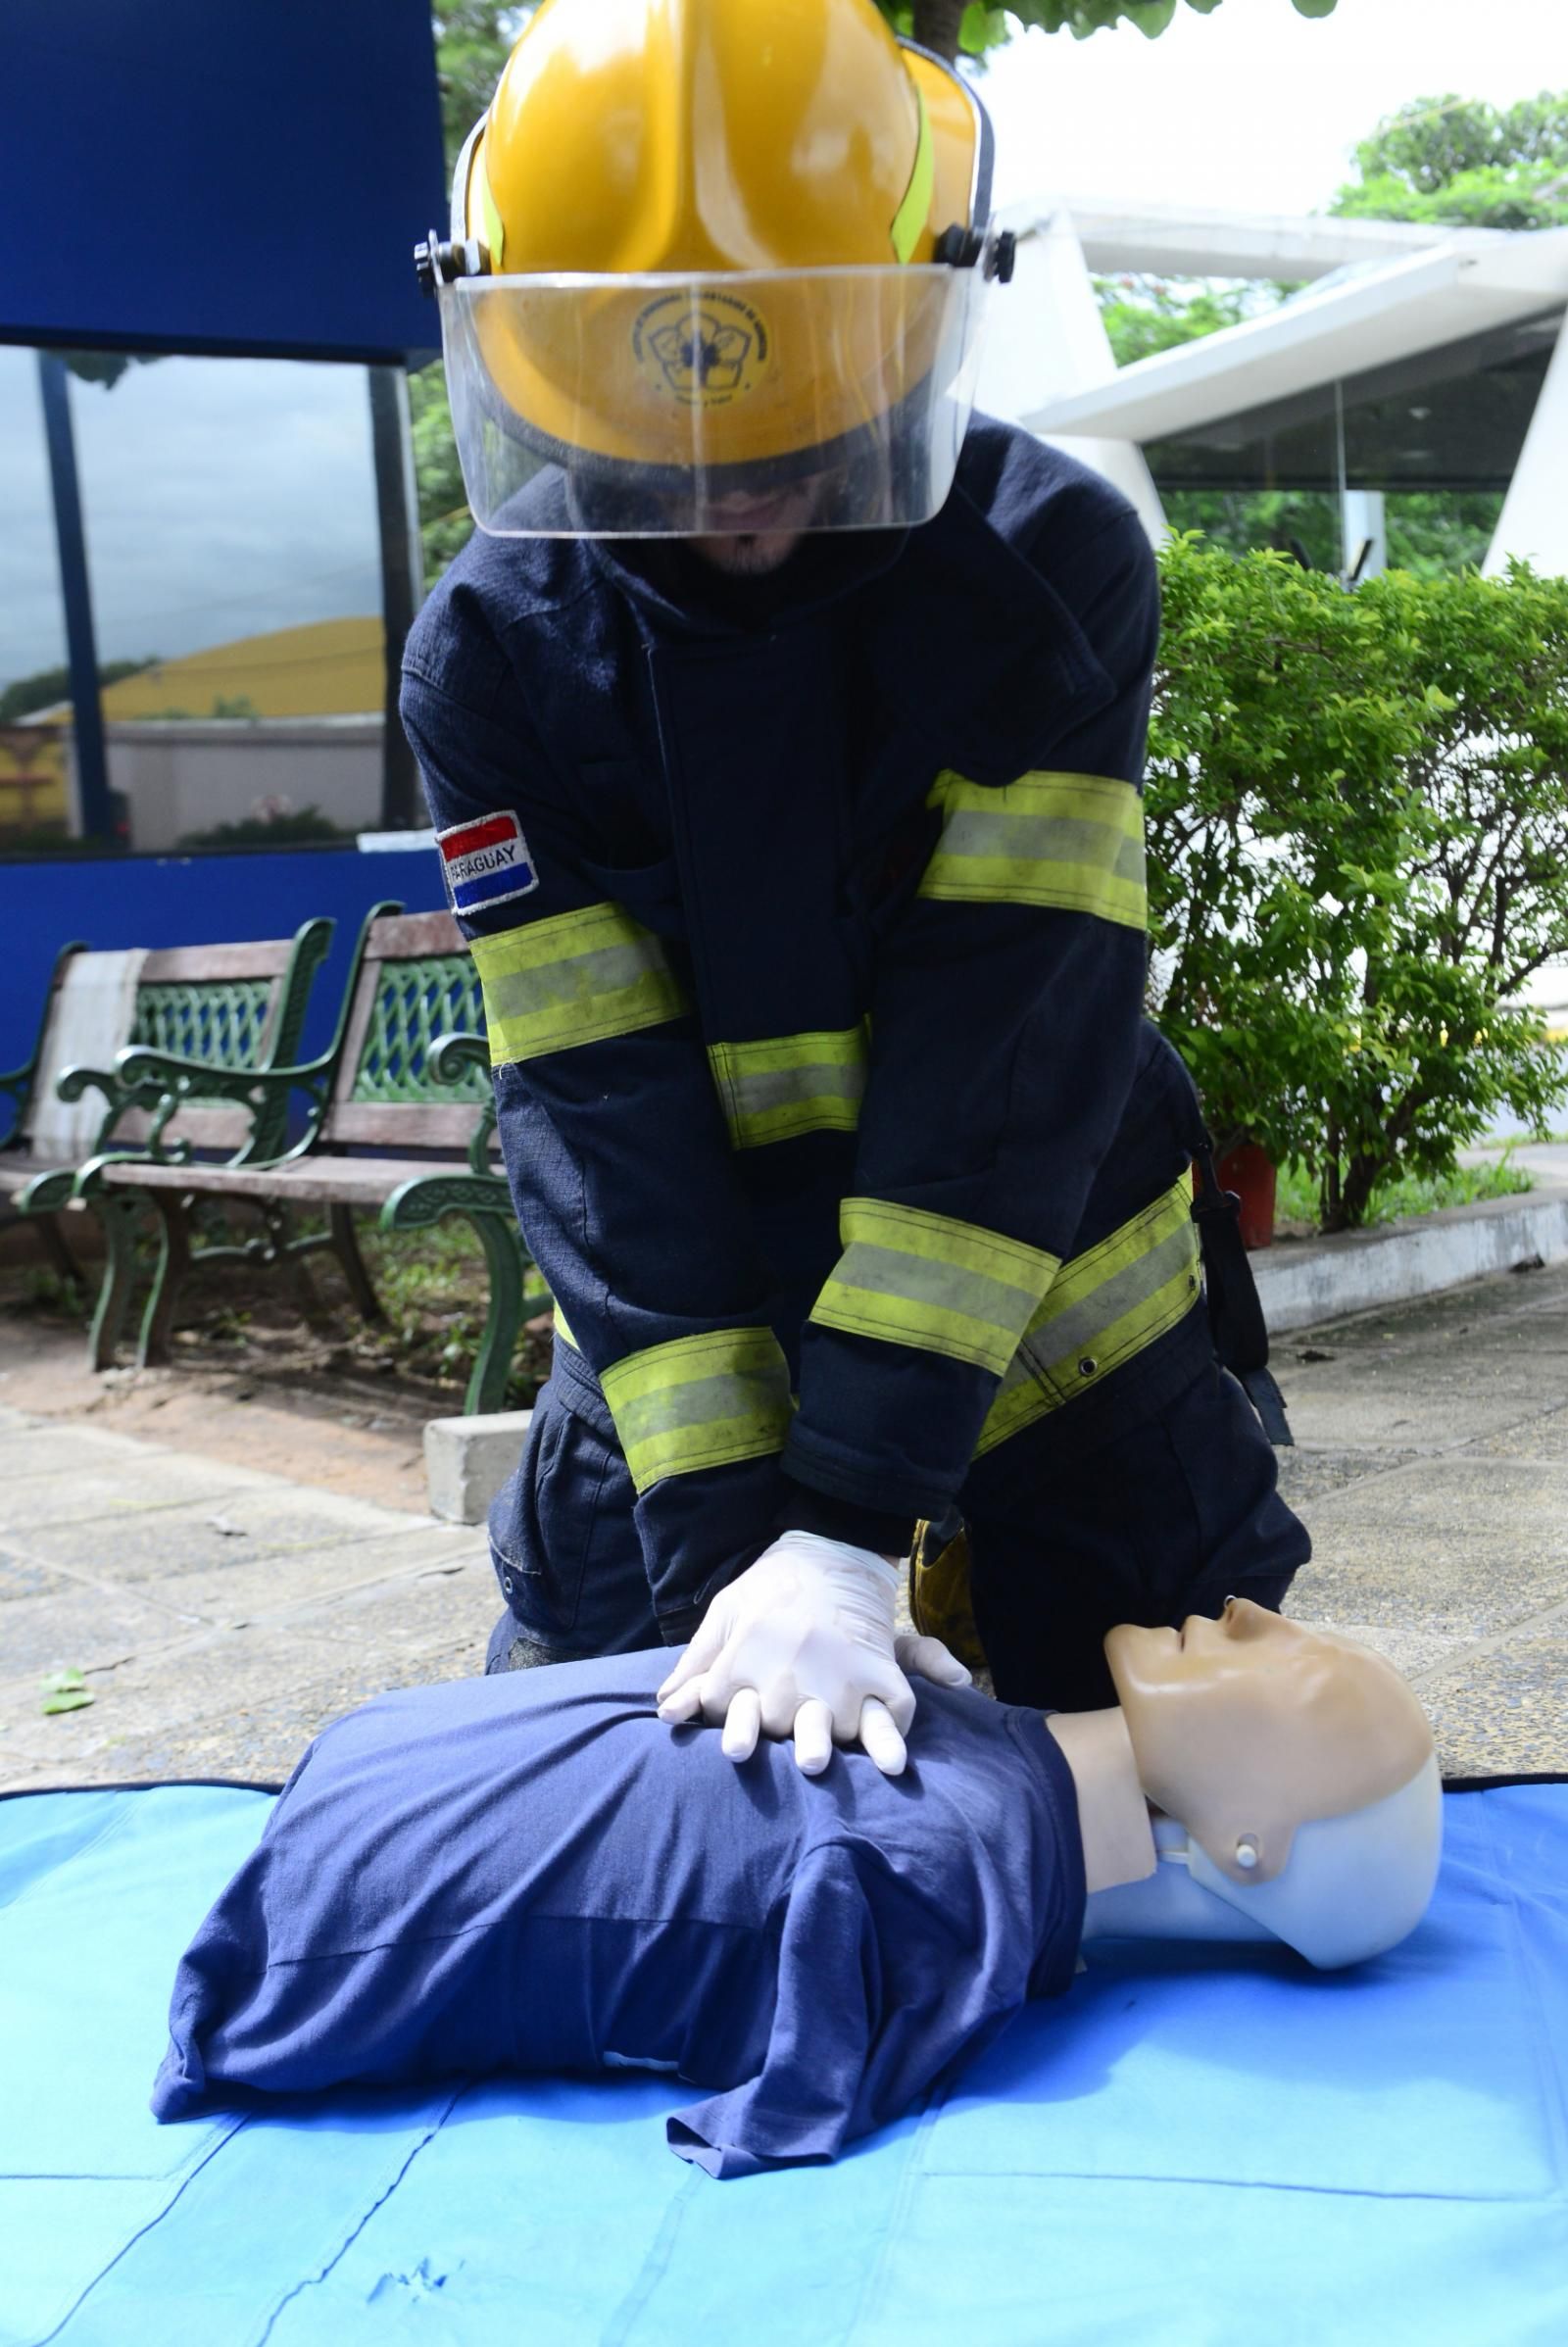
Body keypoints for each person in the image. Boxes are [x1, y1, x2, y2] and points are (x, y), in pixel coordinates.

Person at [400, 0, 1309, 1761]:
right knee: (606, 1808)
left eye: (796, 423)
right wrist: (746, 1551)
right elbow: (596, 1107)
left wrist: (847, 1525)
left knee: (1225, 1818)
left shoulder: (1044, 571)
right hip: (685, 1360)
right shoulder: (499, 654)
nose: (734, 503)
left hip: (1060, 1341)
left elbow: (1007, 1059)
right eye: (663, 449)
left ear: (923, 307)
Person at [150, 1602, 1443, 2178]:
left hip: (331, 1883)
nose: (1253, 1614)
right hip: (358, 1808)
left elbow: (800, 2076)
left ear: (1252, 1849)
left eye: (1308, 1682)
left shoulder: (946, 1880)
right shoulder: (1001, 1795)